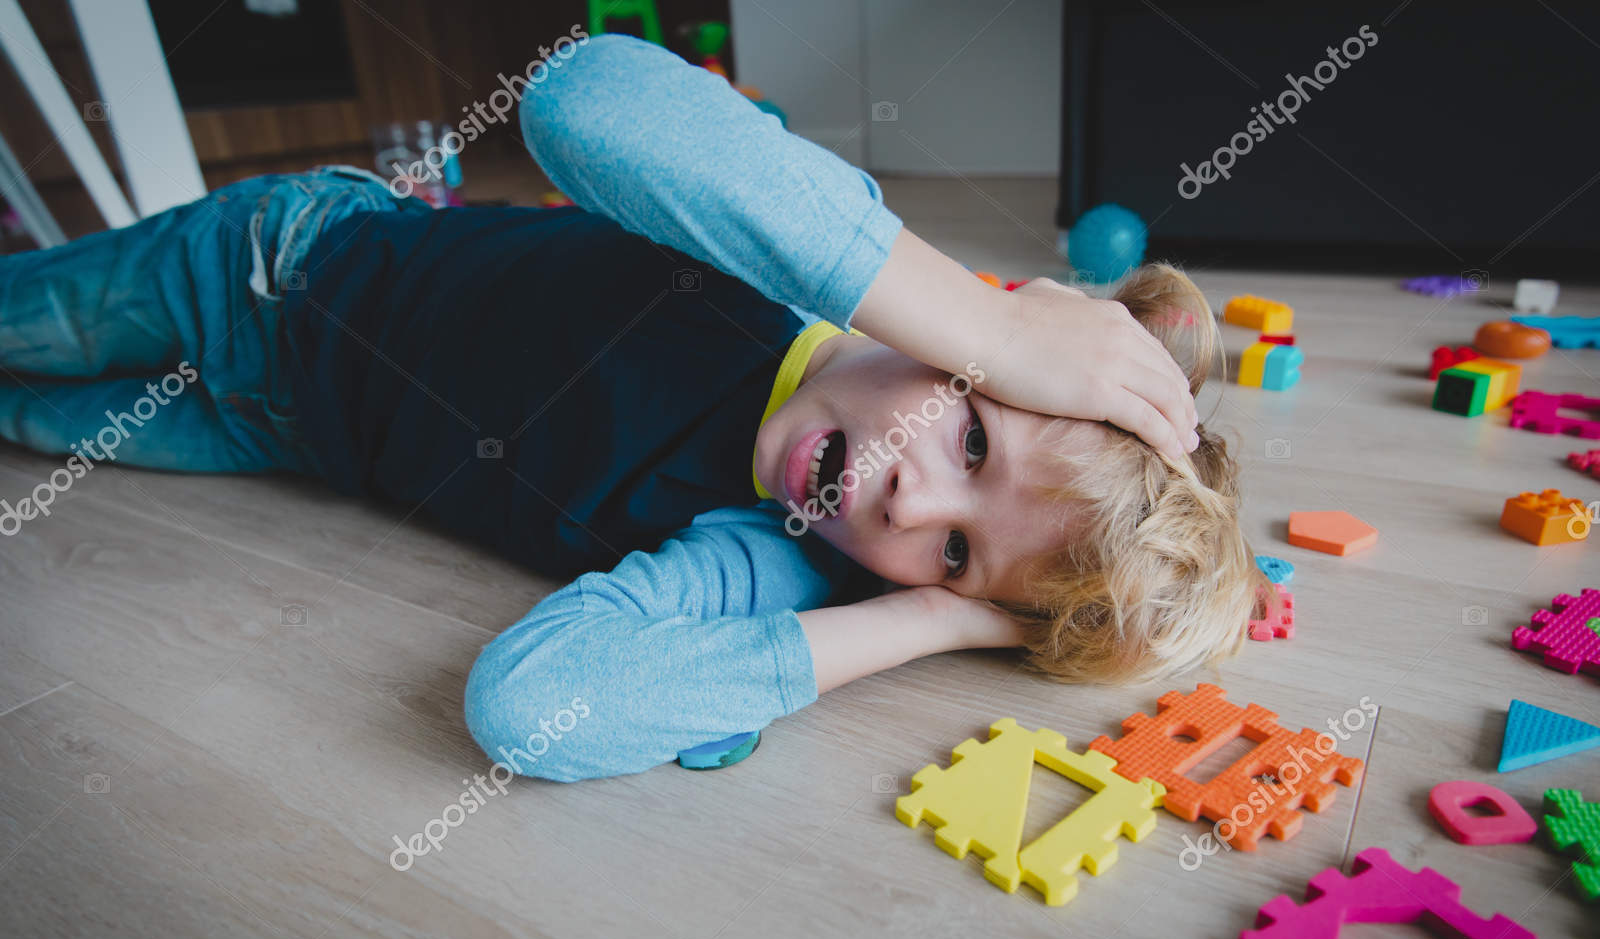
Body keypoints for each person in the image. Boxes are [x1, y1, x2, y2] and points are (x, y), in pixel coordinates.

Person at [0, 34, 1259, 782]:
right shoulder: (783, 260)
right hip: (266, 268)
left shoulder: (785, 560)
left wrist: (929, 624)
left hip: (274, 430)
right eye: (972, 433)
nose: (905, 492)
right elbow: (578, 95)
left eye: (955, 552)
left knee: (24, 421)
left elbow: (527, 711)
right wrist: (980, 324)